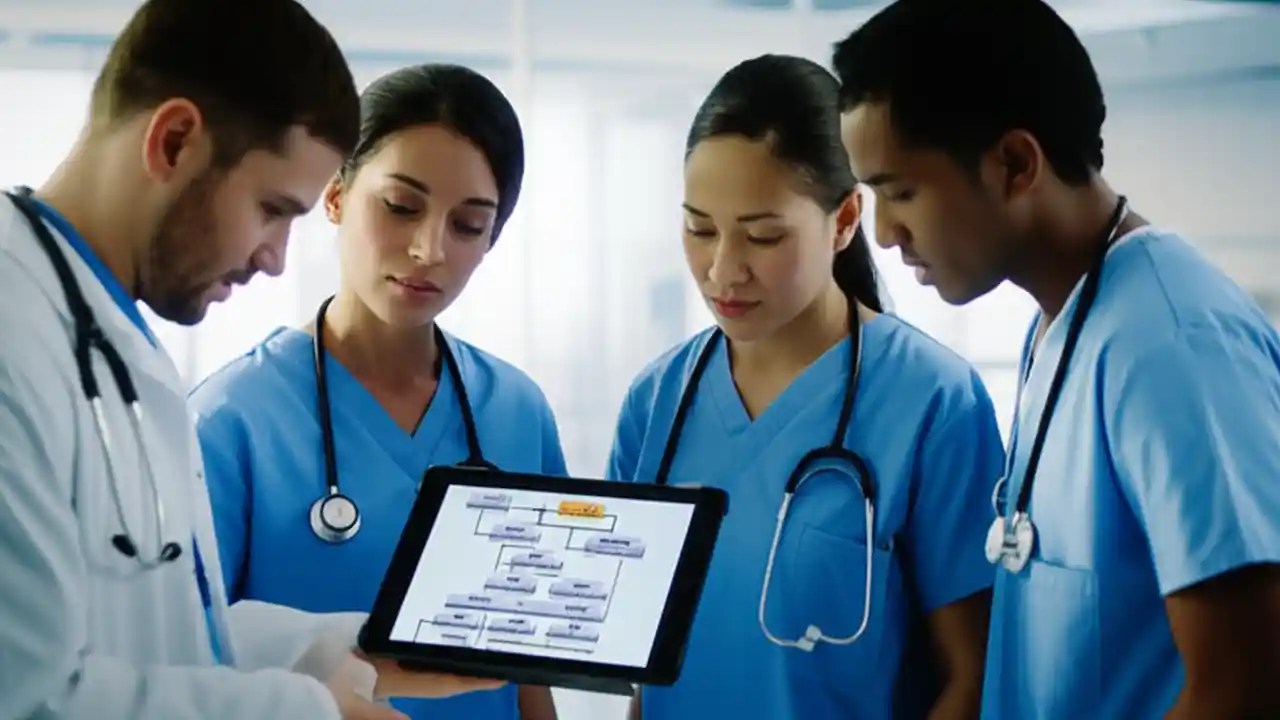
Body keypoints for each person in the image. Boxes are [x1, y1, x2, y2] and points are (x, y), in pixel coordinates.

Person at [0, 2, 503, 719]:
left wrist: (356, 652)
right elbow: (28, 696)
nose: (274, 258)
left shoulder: (105, 335)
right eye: (273, 208)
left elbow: (169, 631)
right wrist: (312, 713)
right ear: (174, 142)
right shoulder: (14, 335)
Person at [833, 2, 1280, 718]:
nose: (884, 233)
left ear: (1014, 164)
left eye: (901, 192)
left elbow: (1246, 686)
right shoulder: (1063, 325)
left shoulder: (1169, 346)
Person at [607, 54, 1003, 720]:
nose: (722, 271)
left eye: (763, 236)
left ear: (845, 219)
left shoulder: (933, 401)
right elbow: (648, 677)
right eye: (699, 228)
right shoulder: (657, 404)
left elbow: (973, 678)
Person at [188, 64, 563, 720]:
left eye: (468, 225)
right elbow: (186, 664)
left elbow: (529, 675)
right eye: (400, 207)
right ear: (335, 196)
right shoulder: (231, 420)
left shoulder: (516, 410)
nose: (428, 249)